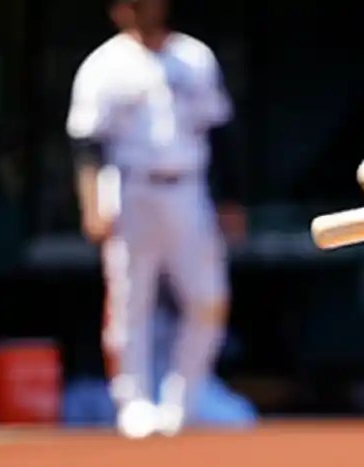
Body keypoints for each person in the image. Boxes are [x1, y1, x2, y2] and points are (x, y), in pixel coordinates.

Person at [66, 0, 247, 439]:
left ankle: (184, 401)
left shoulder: (194, 56)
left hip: (189, 188)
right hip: (131, 187)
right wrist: (91, 202)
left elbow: (221, 131)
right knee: (131, 300)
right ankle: (133, 403)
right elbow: (86, 142)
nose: (137, 10)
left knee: (207, 298)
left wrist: (231, 199)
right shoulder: (103, 65)